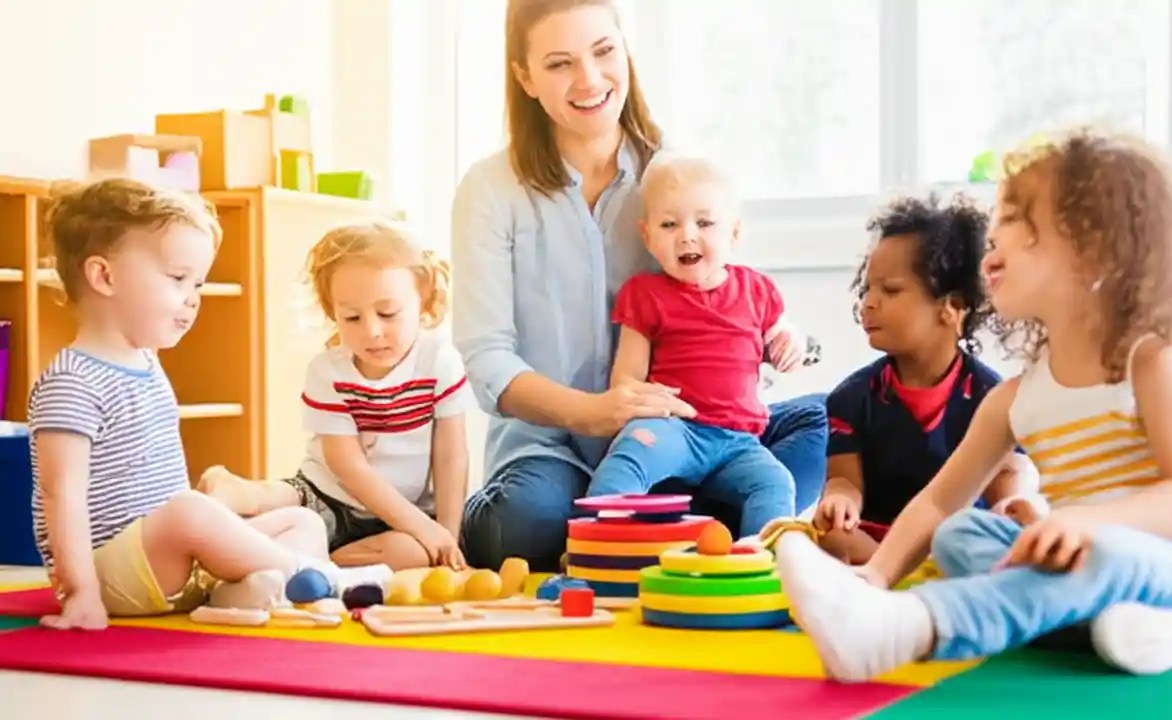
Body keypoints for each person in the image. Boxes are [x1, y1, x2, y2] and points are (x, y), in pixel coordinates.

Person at [775, 128, 1172, 682]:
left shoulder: (1151, 364)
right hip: (1098, 563)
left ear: (1093, 249)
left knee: (1111, 556)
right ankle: (1142, 631)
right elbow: (938, 504)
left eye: (1014, 217)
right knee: (961, 537)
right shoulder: (1013, 398)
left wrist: (1086, 524)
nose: (992, 235)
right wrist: (876, 575)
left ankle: (909, 627)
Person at [450, 0, 827, 571]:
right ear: (524, 76)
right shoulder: (491, 189)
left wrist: (784, 339)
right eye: (559, 64)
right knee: (524, 524)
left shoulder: (674, 176)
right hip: (551, 449)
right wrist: (592, 413)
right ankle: (686, 527)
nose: (590, 80)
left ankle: (671, 524)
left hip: (687, 438)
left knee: (829, 419)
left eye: (604, 52)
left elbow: (734, 296)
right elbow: (487, 360)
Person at [29, 179, 374, 630]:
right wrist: (81, 592)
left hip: (168, 561)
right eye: (178, 279)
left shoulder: (145, 363)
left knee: (302, 523)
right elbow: (62, 495)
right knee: (189, 510)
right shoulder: (71, 381)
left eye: (198, 284)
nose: (193, 299)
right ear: (104, 277)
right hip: (109, 573)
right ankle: (321, 579)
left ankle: (246, 590)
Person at [199, 222, 475, 570]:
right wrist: (424, 529)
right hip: (330, 496)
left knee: (415, 556)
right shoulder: (328, 372)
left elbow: (451, 456)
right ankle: (238, 493)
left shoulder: (439, 360)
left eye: (388, 313)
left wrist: (445, 537)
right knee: (288, 498)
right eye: (352, 317)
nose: (372, 331)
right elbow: (348, 467)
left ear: (424, 299)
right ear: (334, 312)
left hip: (401, 514)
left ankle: (317, 560)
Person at [815, 194, 1043, 565]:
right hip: (880, 537)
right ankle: (901, 580)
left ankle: (907, 584)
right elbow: (844, 479)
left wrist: (1012, 504)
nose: (868, 303)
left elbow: (1009, 470)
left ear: (952, 308)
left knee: (992, 539)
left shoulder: (990, 395)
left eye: (889, 290)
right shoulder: (851, 398)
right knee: (834, 537)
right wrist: (839, 500)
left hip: (957, 536)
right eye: (866, 289)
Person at [584, 153, 802, 537]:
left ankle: (755, 566)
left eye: (704, 222)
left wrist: (791, 340)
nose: (686, 235)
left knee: (775, 483)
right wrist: (641, 405)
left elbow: (784, 335)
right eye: (669, 224)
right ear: (648, 236)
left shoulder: (757, 289)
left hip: (737, 440)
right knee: (627, 460)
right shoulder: (644, 294)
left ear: (734, 233)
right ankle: (594, 548)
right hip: (674, 429)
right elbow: (627, 379)